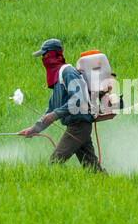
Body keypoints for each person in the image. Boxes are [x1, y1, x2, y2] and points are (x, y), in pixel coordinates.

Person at [18, 38, 103, 171]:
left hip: (79, 125)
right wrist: (34, 129)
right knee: (91, 167)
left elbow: (78, 99)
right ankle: (104, 183)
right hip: (78, 125)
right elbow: (51, 109)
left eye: (44, 55)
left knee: (55, 161)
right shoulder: (58, 79)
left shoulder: (67, 71)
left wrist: (56, 114)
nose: (43, 60)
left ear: (53, 55)